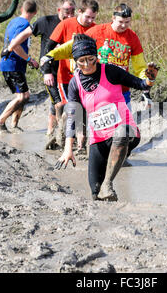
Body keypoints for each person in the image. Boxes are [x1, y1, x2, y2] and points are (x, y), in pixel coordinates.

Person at [55, 34, 159, 201]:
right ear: (76, 61)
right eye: (82, 61)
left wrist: (150, 80)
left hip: (126, 133)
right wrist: (68, 148)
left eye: (91, 59)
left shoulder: (110, 71)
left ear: (96, 57)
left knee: (123, 132)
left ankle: (108, 184)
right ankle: (102, 190)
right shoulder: (75, 83)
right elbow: (73, 116)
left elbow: (140, 84)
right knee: (95, 194)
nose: (87, 64)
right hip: (99, 138)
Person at [42, 3, 152, 111]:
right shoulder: (97, 31)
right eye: (120, 22)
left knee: (127, 126)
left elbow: (140, 65)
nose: (124, 25)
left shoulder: (132, 37)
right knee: (97, 126)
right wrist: (52, 55)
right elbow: (74, 44)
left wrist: (145, 87)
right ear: (113, 18)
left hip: (121, 88)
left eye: (127, 22)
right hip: (98, 88)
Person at [1, 0, 76, 146]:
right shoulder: (46, 22)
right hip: (49, 70)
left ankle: (50, 133)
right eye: (67, 11)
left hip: (67, 70)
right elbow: (23, 35)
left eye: (73, 11)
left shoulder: (74, 24)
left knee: (55, 104)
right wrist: (10, 48)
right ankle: (59, 137)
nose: (70, 14)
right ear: (59, 10)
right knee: (58, 103)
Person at [41, 0, 99, 150]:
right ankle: (63, 140)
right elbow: (49, 48)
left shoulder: (95, 28)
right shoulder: (66, 24)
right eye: (87, 17)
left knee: (84, 110)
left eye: (93, 18)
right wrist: (47, 71)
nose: (90, 20)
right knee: (72, 109)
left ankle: (79, 143)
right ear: (79, 11)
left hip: (86, 78)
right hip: (66, 77)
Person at [0, 0, 39, 134]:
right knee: (21, 97)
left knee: (24, 96)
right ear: (35, 13)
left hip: (14, 64)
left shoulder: (13, 21)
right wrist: (29, 59)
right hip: (12, 64)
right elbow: (15, 44)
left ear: (21, 9)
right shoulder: (24, 24)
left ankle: (14, 125)